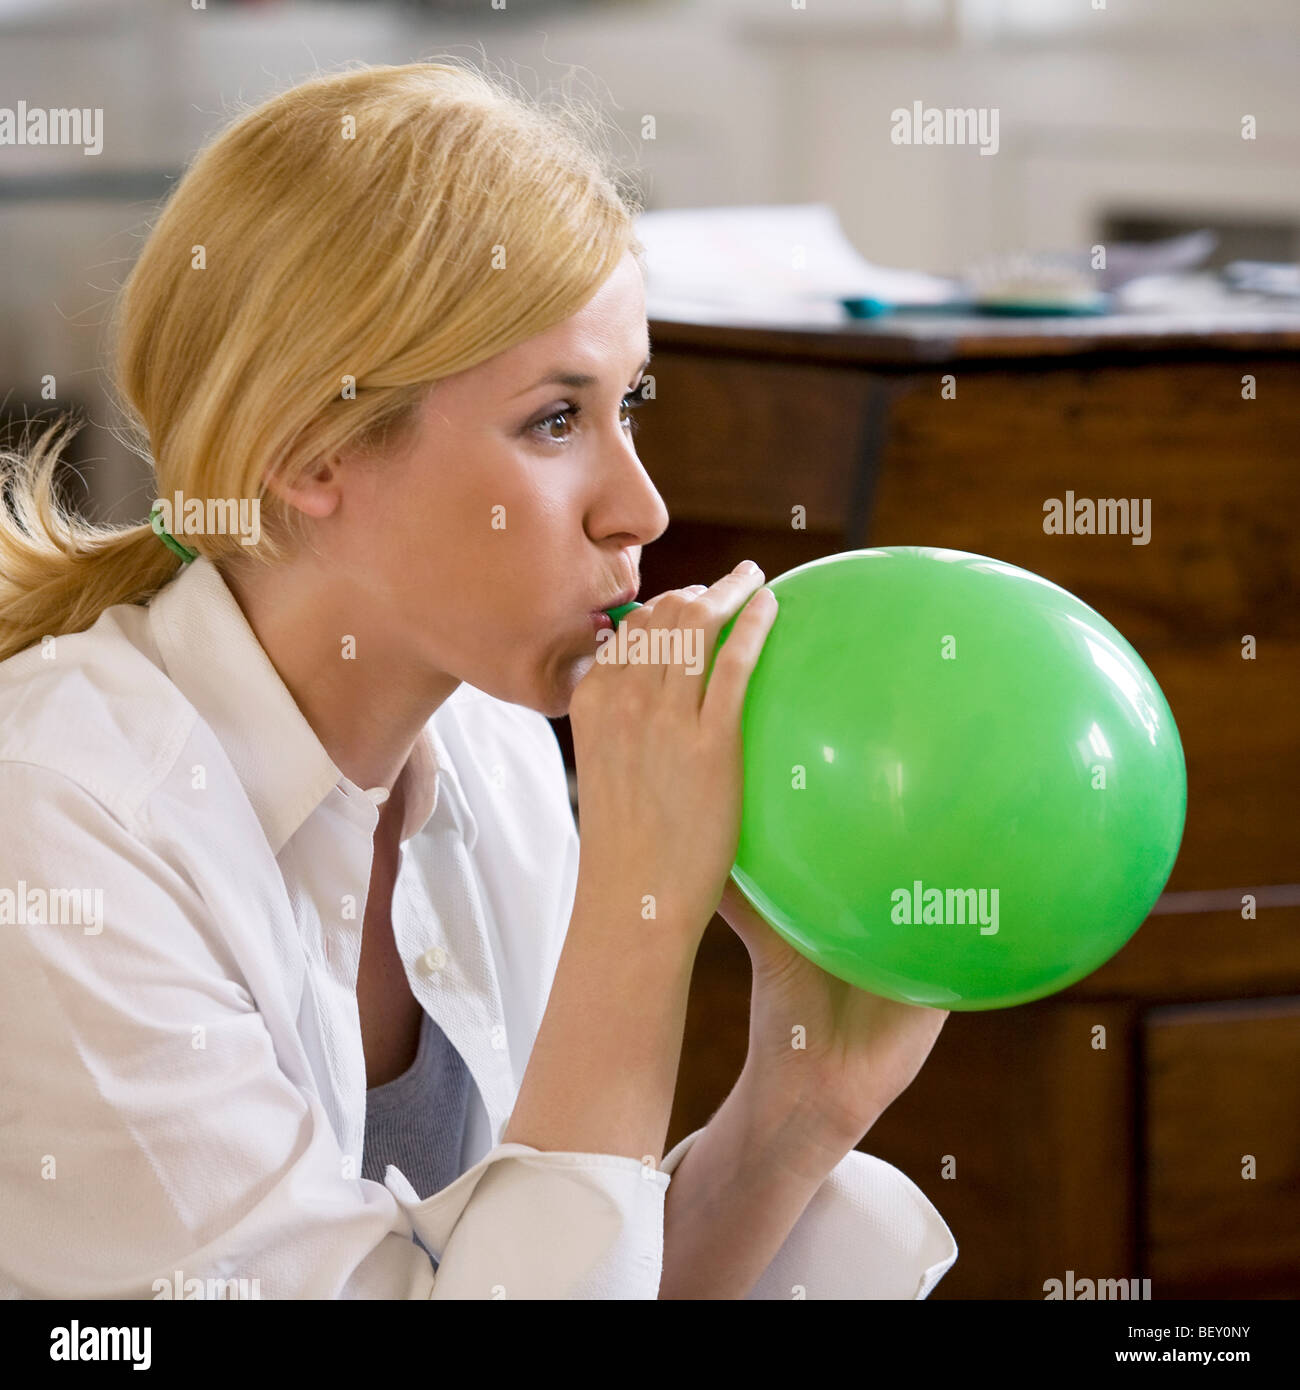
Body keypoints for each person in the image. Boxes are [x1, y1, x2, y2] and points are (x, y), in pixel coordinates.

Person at [0, 59, 956, 1299]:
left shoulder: (496, 751)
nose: (644, 507)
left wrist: (796, 1111)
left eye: (631, 406)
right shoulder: (59, 829)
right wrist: (639, 910)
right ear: (312, 451)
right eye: (556, 419)